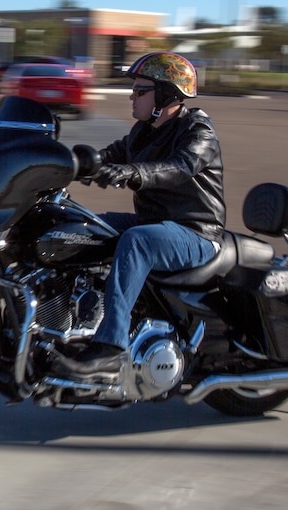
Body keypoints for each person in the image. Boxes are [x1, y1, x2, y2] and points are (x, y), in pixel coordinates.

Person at [52, 52, 226, 383]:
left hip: (196, 233)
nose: (132, 95)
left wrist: (131, 172)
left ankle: (110, 348)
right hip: (156, 226)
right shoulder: (142, 132)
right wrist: (64, 162)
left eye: (141, 90)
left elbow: (180, 167)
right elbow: (105, 156)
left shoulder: (198, 130)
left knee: (136, 243)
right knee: (85, 226)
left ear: (167, 95)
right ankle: (73, 321)